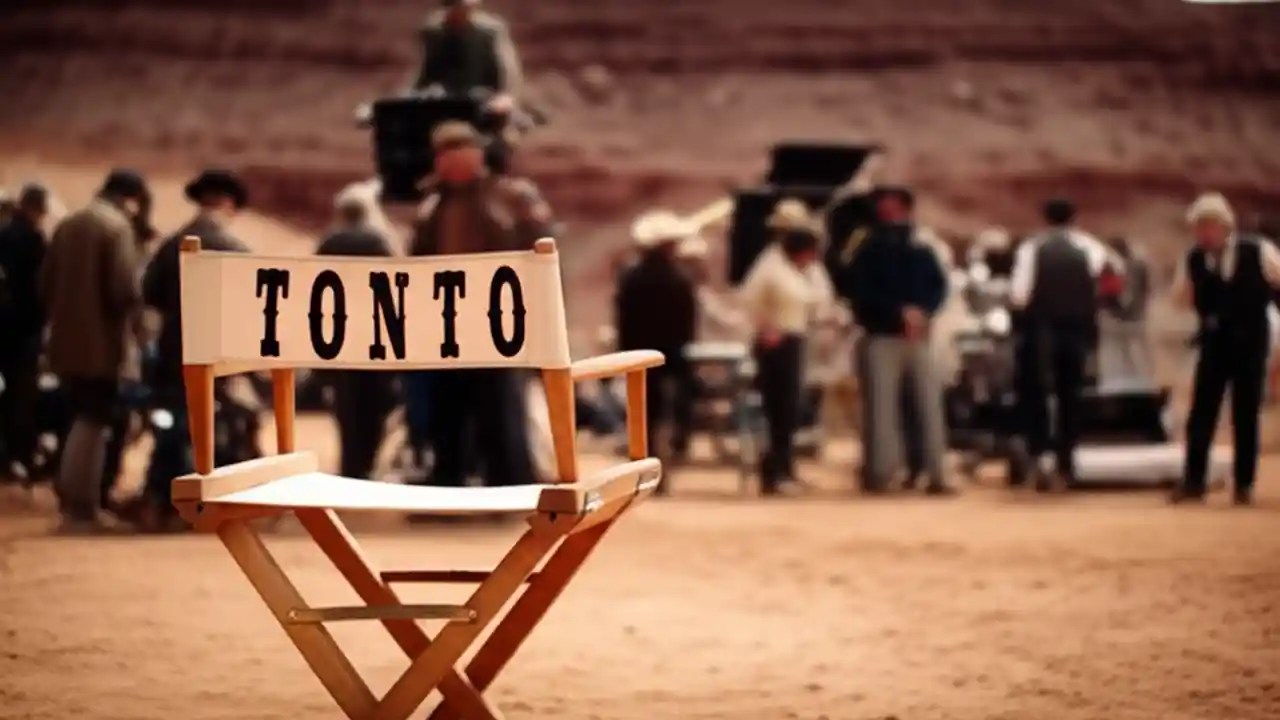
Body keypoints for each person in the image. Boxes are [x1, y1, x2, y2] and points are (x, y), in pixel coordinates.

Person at [411, 121, 551, 489]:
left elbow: (540, 255)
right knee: (447, 413)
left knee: (500, 411)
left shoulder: (509, 198)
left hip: (499, 323)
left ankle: (510, 487)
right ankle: (449, 485)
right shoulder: (431, 205)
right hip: (446, 326)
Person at [40, 169, 150, 532]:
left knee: (78, 419)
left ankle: (72, 500)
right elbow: (124, 290)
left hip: (65, 343)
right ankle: (83, 507)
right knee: (94, 421)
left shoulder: (68, 223)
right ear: (130, 198)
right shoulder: (115, 228)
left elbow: (45, 285)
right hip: (101, 346)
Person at [139, 169, 250, 530]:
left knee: (172, 426)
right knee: (218, 425)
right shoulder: (235, 249)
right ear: (230, 205)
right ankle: (212, 500)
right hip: (220, 355)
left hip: (175, 353)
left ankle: (163, 497)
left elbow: (150, 293)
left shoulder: (172, 244)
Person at [840, 186, 952, 495]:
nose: (886, 212)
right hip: (881, 335)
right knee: (881, 412)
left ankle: (934, 472)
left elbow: (939, 286)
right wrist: (896, 312)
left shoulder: (923, 245)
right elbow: (858, 290)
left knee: (929, 408)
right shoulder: (865, 245)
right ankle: (881, 474)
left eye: (892, 206)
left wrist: (922, 313)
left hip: (918, 336)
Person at [1172, 193, 1280, 506]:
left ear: (1225, 226)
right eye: (1198, 227)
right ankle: (1194, 481)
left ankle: (1244, 484)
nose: (1203, 233)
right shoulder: (1193, 258)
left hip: (1251, 343)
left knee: (1246, 414)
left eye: (1209, 226)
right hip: (1215, 344)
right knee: (1201, 413)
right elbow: (1180, 297)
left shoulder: (1256, 250)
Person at [1010, 199, 1112, 491]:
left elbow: (1020, 295)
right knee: (1071, 396)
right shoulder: (1091, 247)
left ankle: (1040, 457)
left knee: (1037, 394)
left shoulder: (1033, 248)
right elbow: (1106, 284)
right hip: (1078, 330)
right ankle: (1067, 463)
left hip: (1041, 330)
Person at [739, 200, 836, 494]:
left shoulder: (806, 270)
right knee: (778, 409)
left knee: (791, 410)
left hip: (798, 339)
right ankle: (775, 473)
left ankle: (786, 468)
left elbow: (819, 300)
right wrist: (765, 328)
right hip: (776, 344)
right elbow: (751, 301)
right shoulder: (769, 267)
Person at [317, 185, 398, 480]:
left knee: (346, 411)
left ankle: (351, 468)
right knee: (374, 409)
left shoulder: (329, 242)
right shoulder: (379, 241)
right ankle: (366, 466)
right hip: (376, 340)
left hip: (338, 340)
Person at [616, 211, 698, 487]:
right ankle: (671, 456)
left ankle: (645, 469)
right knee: (674, 410)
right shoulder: (680, 278)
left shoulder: (631, 277)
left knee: (644, 416)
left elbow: (623, 319)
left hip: (639, 355)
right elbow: (688, 322)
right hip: (673, 354)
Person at [0, 184, 50, 483]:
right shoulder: (33, 239)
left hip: (3, 328)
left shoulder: (3, 234)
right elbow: (41, 288)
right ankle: (21, 457)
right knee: (21, 398)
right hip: (24, 332)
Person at [413, 0, 522, 104]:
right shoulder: (434, 32)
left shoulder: (489, 32)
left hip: (483, 94)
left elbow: (506, 69)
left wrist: (504, 96)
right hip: (445, 94)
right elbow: (427, 71)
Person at [1096, 235, 1153, 384]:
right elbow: (1146, 291)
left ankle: (1121, 387)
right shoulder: (1139, 265)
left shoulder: (1107, 266)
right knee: (1135, 359)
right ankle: (1139, 386)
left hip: (1115, 319)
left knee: (1115, 360)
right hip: (1133, 319)